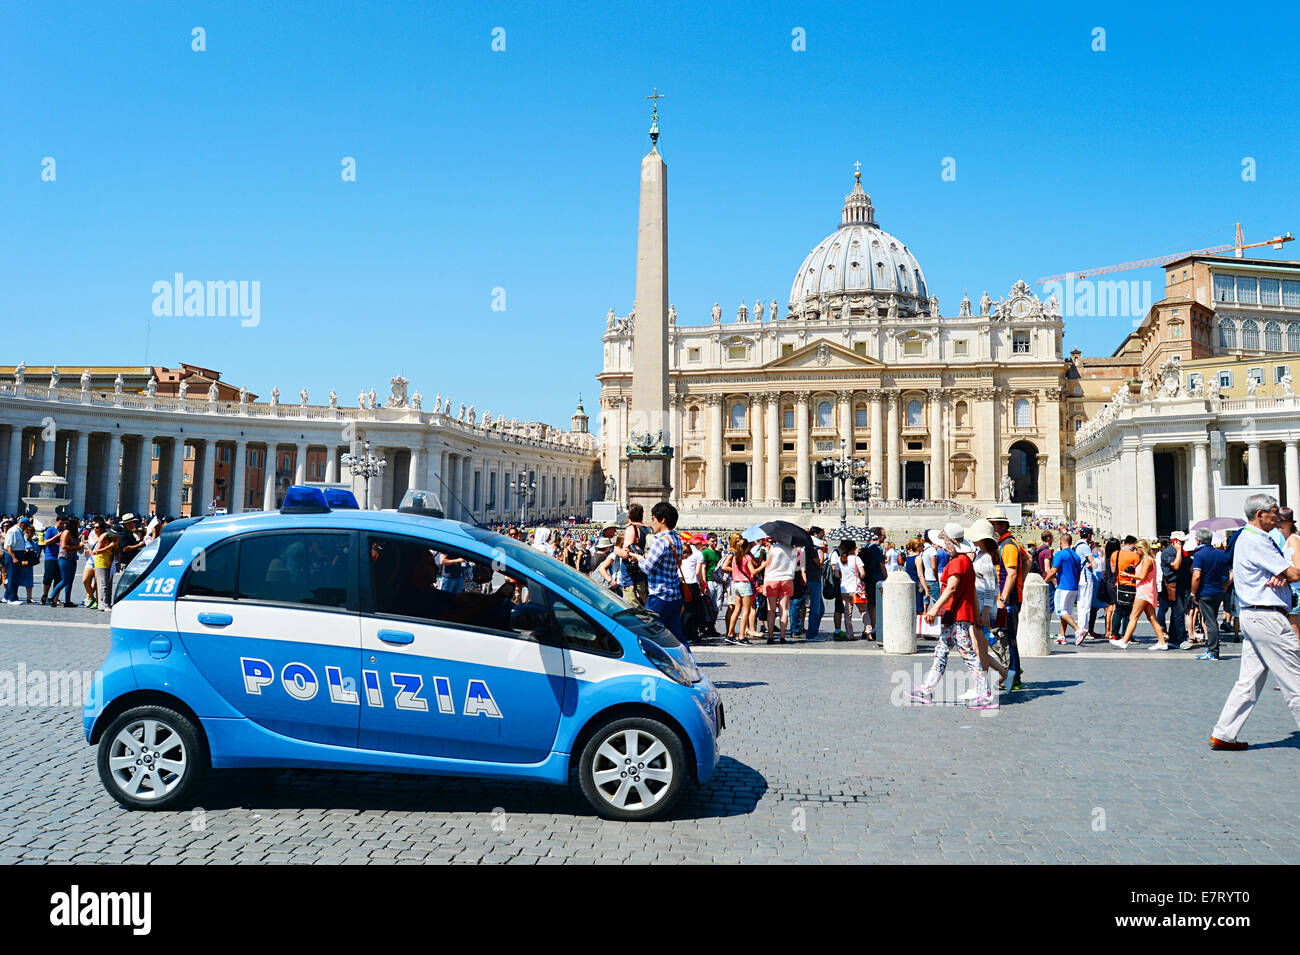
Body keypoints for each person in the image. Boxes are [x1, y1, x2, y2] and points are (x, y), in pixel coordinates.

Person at [1209, 493, 1300, 749]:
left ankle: (1224, 733)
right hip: (1267, 617)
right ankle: (1223, 733)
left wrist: (1283, 574)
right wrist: (1288, 573)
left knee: (1248, 681)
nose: (1278, 517)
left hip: (1254, 614)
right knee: (1295, 679)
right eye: (1274, 511)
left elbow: (1284, 573)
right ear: (1260, 514)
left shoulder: (1247, 538)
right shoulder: (1257, 540)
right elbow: (1292, 571)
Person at [909, 524, 997, 709]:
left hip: (958, 617)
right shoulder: (965, 561)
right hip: (955, 616)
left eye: (943, 543)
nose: (940, 547)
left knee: (970, 656)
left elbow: (952, 587)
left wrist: (934, 609)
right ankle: (926, 690)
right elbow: (972, 591)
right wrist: (977, 613)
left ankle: (986, 695)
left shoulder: (958, 562)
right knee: (941, 652)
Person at [627, 502, 685, 644]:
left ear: (662, 519)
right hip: (675, 595)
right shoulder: (677, 539)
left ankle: (649, 664)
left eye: (653, 518)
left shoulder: (659, 541)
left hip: (659, 596)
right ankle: (687, 662)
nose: (651, 522)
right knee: (677, 637)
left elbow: (647, 568)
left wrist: (639, 558)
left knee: (647, 635)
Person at [988, 508, 1025, 690]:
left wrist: (1003, 598)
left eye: (994, 524)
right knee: (1006, 638)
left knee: (1007, 639)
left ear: (1002, 525)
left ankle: (1013, 676)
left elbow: (1011, 573)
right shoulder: (1007, 543)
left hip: (1007, 601)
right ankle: (1013, 673)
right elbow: (1027, 559)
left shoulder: (1009, 545)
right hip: (1009, 598)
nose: (992, 527)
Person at [1114, 539, 1170, 649]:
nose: (1135, 551)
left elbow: (1142, 577)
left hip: (1143, 591)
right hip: (1148, 591)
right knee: (1152, 618)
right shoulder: (1150, 559)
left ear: (1142, 549)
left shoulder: (1146, 560)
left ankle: (1124, 641)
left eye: (1136, 549)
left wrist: (1128, 575)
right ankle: (1162, 642)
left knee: (1133, 616)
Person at [761, 535, 803, 644]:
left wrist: (765, 581)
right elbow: (797, 568)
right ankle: (782, 636)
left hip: (772, 579)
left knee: (771, 609)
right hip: (787, 579)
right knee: (784, 609)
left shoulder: (773, 548)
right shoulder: (793, 549)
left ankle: (770, 636)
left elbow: (768, 565)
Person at [720, 534, 756, 644]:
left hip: (736, 584)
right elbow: (753, 572)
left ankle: (730, 633)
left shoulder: (735, 556)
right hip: (744, 584)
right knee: (746, 611)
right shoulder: (745, 557)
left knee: (736, 609)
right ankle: (741, 636)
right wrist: (764, 565)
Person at [1048, 531, 1082, 645]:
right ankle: (1062, 635)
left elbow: (1053, 570)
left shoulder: (1060, 554)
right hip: (1073, 587)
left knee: (1060, 611)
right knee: (1066, 612)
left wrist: (1044, 581)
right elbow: (1078, 574)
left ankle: (1078, 630)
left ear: (1061, 542)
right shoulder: (1076, 556)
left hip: (1063, 587)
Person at [1158, 531, 1190, 649]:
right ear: (1175, 541)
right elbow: (1175, 566)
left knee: (1176, 613)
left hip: (1181, 585)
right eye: (1181, 541)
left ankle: (1174, 637)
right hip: (1171, 585)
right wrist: (1179, 551)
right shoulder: (1168, 552)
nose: (1183, 543)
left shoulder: (1182, 552)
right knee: (1178, 611)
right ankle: (1181, 639)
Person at [614, 503, 649, 607]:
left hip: (631, 578)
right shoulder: (648, 528)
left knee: (632, 609)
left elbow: (625, 554)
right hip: (644, 575)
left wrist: (615, 550)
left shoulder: (631, 529)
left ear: (629, 516)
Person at [833, 539, 865, 641]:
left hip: (844, 589)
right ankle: (869, 630)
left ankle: (850, 635)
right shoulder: (856, 559)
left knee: (847, 614)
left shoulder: (840, 559)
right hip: (856, 589)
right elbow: (863, 573)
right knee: (863, 610)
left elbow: (837, 574)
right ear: (853, 548)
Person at [1074, 527, 1101, 639]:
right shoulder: (1085, 547)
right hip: (1086, 577)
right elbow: (1094, 564)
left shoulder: (1077, 545)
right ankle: (1083, 629)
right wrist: (1094, 563)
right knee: (1085, 605)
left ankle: (1081, 629)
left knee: (1081, 604)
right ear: (1089, 535)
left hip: (1080, 577)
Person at [90, 519, 119, 612]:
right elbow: (97, 551)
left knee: (108, 583)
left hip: (109, 562)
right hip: (101, 561)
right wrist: (110, 546)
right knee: (103, 584)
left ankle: (107, 602)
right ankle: (103, 604)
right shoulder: (104, 537)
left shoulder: (113, 538)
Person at [2, 516, 32, 605]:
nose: (27, 528)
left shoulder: (18, 531)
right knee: (13, 578)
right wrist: (14, 557)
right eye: (26, 526)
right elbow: (9, 546)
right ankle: (12, 598)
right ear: (22, 524)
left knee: (15, 577)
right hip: (13, 555)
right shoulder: (14, 531)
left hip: (17, 553)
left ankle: (6, 596)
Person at [40, 517, 66, 605]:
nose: (62, 526)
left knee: (58, 579)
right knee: (48, 578)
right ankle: (45, 595)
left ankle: (55, 598)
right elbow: (46, 542)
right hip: (50, 557)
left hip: (61, 557)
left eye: (63, 524)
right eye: (60, 523)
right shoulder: (50, 530)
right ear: (56, 521)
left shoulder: (65, 531)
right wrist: (57, 537)